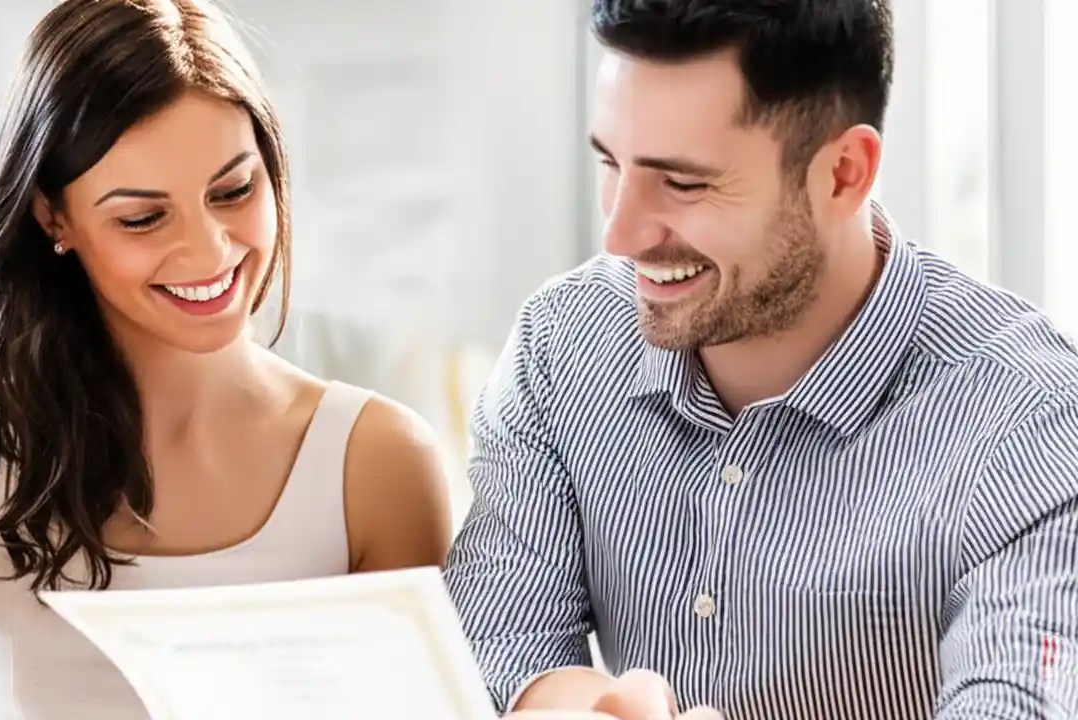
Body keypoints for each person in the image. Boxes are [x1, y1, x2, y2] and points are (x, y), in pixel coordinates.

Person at [444, 1, 1078, 718]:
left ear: (843, 172)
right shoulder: (566, 341)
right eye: (610, 163)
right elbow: (495, 643)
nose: (621, 234)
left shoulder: (1032, 416)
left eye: (683, 184)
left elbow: (1023, 701)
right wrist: (597, 709)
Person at [0, 1, 451, 718]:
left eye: (234, 190)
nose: (210, 252)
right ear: (53, 216)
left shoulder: (378, 462)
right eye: (142, 218)